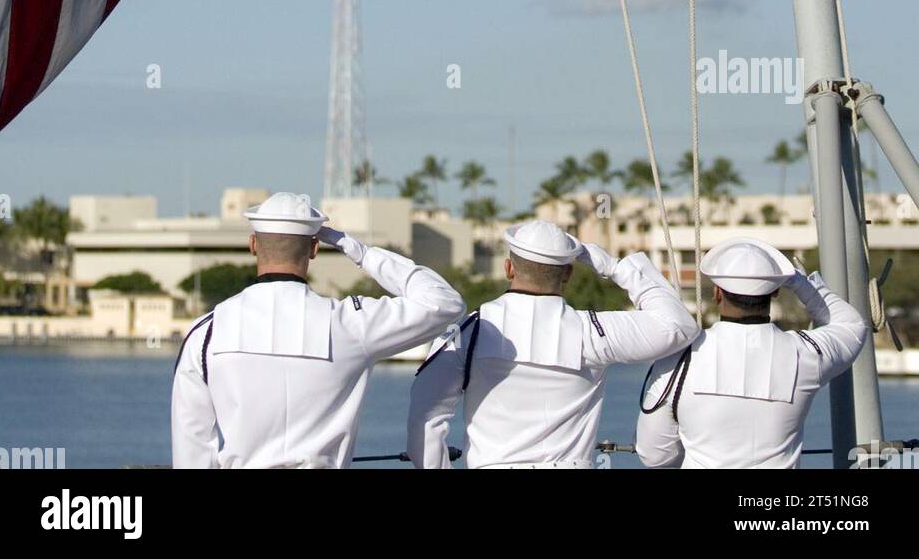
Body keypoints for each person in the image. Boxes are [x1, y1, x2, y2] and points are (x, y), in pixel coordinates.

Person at [171, 191, 465, 468]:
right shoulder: (349, 324)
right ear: (314, 249)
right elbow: (444, 302)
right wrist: (357, 250)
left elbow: (192, 447)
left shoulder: (207, 333)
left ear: (253, 244)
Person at [407, 218, 699, 469]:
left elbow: (426, 417)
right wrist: (613, 266)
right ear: (568, 274)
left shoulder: (470, 332)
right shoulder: (593, 331)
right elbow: (678, 325)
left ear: (509, 268)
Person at [636, 237, 868, 470]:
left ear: (717, 293)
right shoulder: (805, 354)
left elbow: (654, 456)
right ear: (775, 291)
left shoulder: (679, 358)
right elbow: (853, 327)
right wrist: (800, 282)